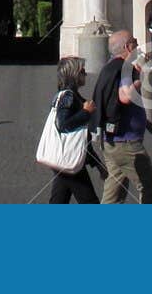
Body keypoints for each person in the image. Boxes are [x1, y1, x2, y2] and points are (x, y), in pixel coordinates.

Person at [92, 30, 152, 203]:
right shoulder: (125, 69)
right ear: (127, 46)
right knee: (150, 185)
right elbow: (125, 97)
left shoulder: (110, 67)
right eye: (135, 41)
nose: (138, 45)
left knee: (114, 192)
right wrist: (140, 77)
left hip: (111, 139)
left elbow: (116, 104)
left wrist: (147, 124)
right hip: (125, 143)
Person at [47, 56, 99, 204]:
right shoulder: (68, 96)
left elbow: (81, 136)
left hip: (67, 158)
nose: (86, 74)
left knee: (59, 200)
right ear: (74, 74)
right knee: (90, 202)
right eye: (82, 71)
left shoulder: (71, 95)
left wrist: (97, 164)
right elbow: (63, 125)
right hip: (70, 159)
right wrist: (86, 113)